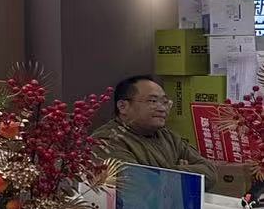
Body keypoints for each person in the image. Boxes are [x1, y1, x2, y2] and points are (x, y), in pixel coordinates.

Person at [89, 76, 217, 181]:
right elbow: (136, 183)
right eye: (152, 101)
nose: (162, 108)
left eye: (165, 102)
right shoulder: (106, 140)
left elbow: (210, 173)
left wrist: (171, 172)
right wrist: (183, 171)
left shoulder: (168, 137)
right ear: (123, 106)